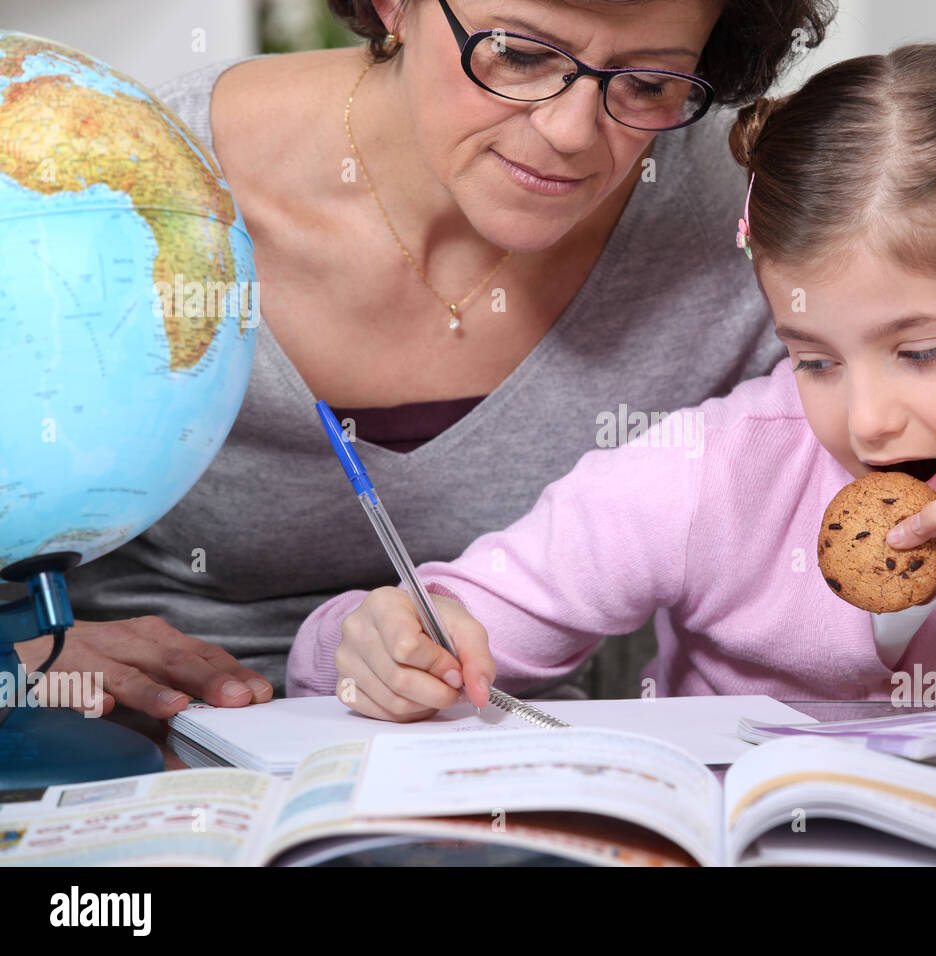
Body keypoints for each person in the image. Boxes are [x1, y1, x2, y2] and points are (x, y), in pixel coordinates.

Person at [286, 43, 936, 719]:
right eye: (812, 358)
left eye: (919, 349)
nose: (863, 418)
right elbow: (427, 625)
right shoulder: (717, 471)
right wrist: (375, 645)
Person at [15, 0, 837, 718]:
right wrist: (11, 664)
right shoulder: (95, 196)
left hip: (525, 759)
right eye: (518, 53)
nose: (571, 132)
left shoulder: (747, 219)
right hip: (131, 750)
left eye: (649, 82)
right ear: (395, 4)